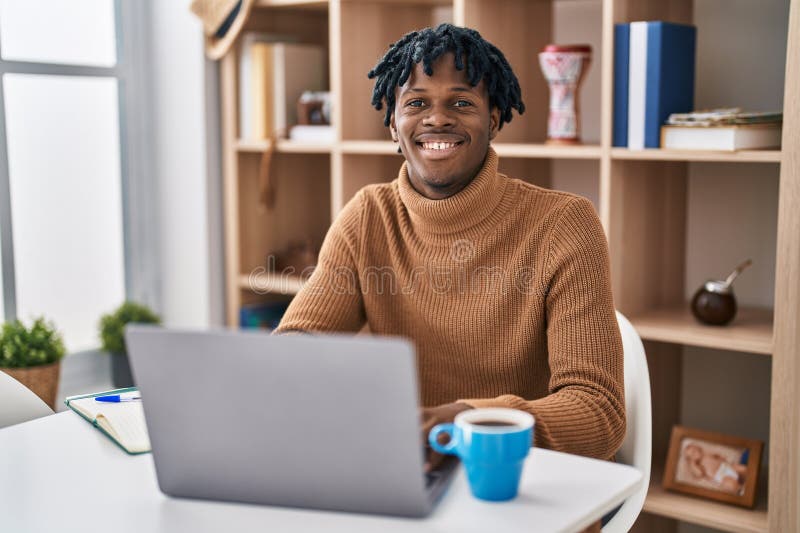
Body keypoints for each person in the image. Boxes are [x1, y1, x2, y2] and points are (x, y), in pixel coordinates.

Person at [275, 23, 625, 468]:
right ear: (393, 125)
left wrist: (472, 421)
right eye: (416, 103)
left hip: (520, 478)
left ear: (494, 119)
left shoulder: (563, 225)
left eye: (461, 102)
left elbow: (598, 413)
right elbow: (295, 346)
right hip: (407, 469)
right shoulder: (368, 217)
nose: (437, 118)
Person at [682, 442, 747, 494]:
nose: (694, 453)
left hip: (726, 466)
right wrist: (692, 463)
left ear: (698, 448)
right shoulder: (698, 465)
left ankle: (748, 479)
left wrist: (724, 459)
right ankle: (741, 489)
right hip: (721, 476)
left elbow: (717, 455)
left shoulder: (707, 454)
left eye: (694, 450)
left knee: (743, 469)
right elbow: (699, 474)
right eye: (691, 455)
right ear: (690, 460)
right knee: (730, 484)